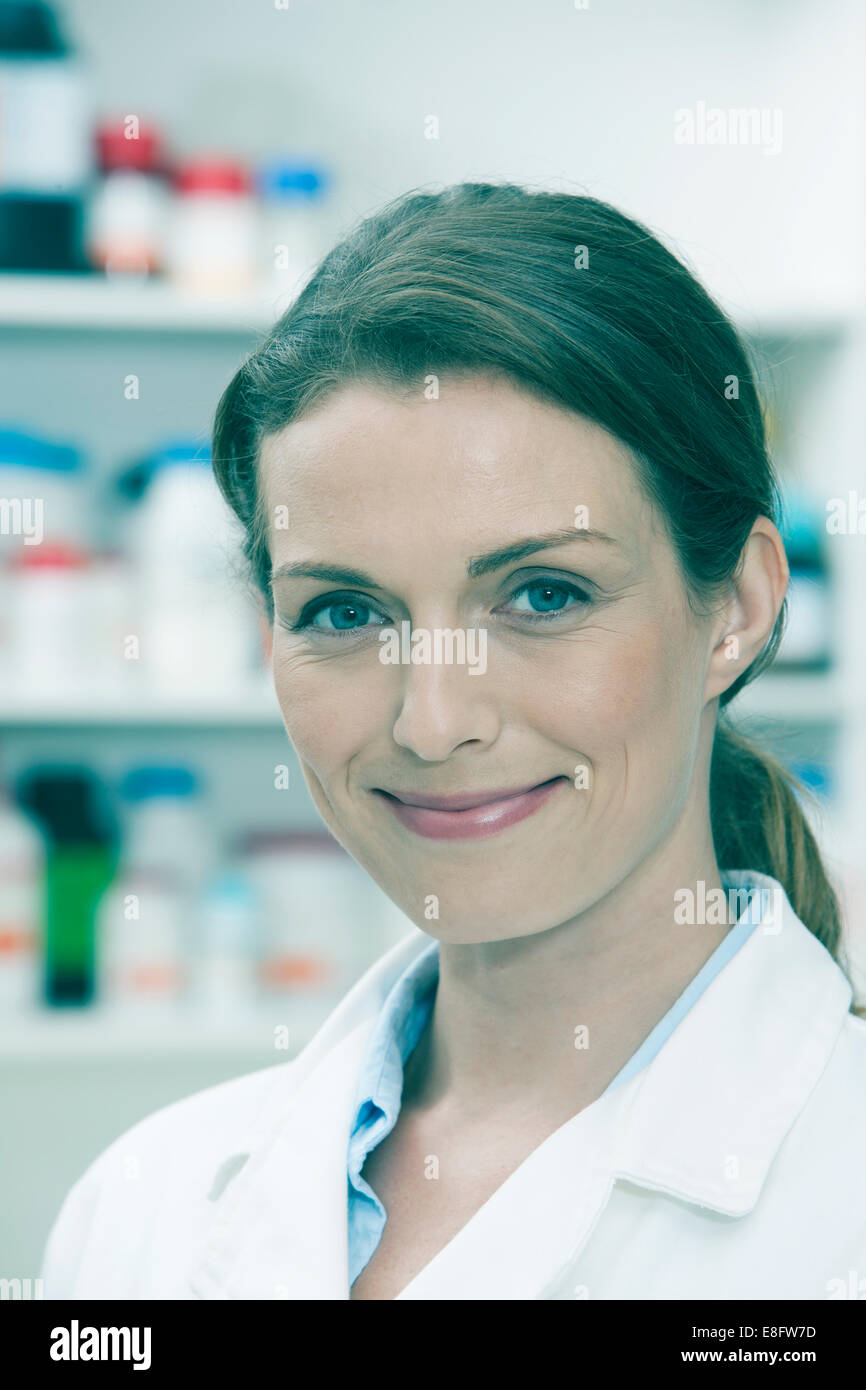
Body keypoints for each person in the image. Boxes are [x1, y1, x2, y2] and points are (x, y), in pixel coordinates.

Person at [42, 182, 866, 1300]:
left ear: (737, 607)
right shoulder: (141, 1214)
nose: (432, 721)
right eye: (344, 612)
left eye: (541, 594)